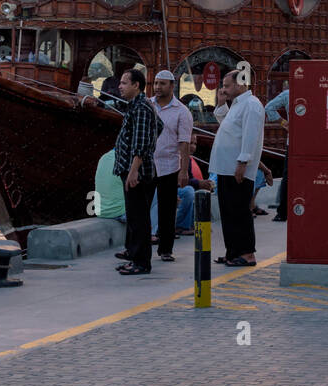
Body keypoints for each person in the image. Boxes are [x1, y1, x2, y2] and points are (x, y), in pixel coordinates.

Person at [209, 70, 265, 267]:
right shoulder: (238, 104)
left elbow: (250, 137)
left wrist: (243, 162)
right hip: (225, 168)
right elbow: (227, 126)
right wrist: (221, 104)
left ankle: (247, 253)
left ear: (240, 84)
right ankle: (233, 252)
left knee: (239, 211)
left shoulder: (252, 105)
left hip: (237, 169)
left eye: (227, 85)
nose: (223, 89)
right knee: (228, 212)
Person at [113, 69, 161, 276]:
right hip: (134, 170)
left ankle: (141, 262)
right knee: (134, 217)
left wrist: (134, 171)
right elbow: (159, 126)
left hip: (137, 174)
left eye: (124, 83)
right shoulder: (137, 106)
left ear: (136, 85)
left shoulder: (141, 107)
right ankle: (134, 257)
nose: (120, 86)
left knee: (139, 218)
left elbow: (140, 145)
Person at [150, 69, 199, 263]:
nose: (157, 88)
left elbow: (184, 143)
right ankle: (136, 247)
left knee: (167, 208)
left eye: (162, 84)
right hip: (147, 163)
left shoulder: (182, 111)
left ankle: (166, 249)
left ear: (172, 86)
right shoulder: (148, 105)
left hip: (169, 165)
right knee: (141, 206)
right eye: (155, 83)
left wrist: (183, 172)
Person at [265, 86, 291, 221]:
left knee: (287, 178)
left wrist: (284, 123)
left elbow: (269, 107)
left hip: (292, 142)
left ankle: (282, 213)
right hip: (311, 142)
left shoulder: (288, 93)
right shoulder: (316, 91)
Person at [93, 149, 127, 224]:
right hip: (120, 213)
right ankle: (153, 233)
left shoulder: (104, 157)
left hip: (101, 212)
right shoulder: (128, 157)